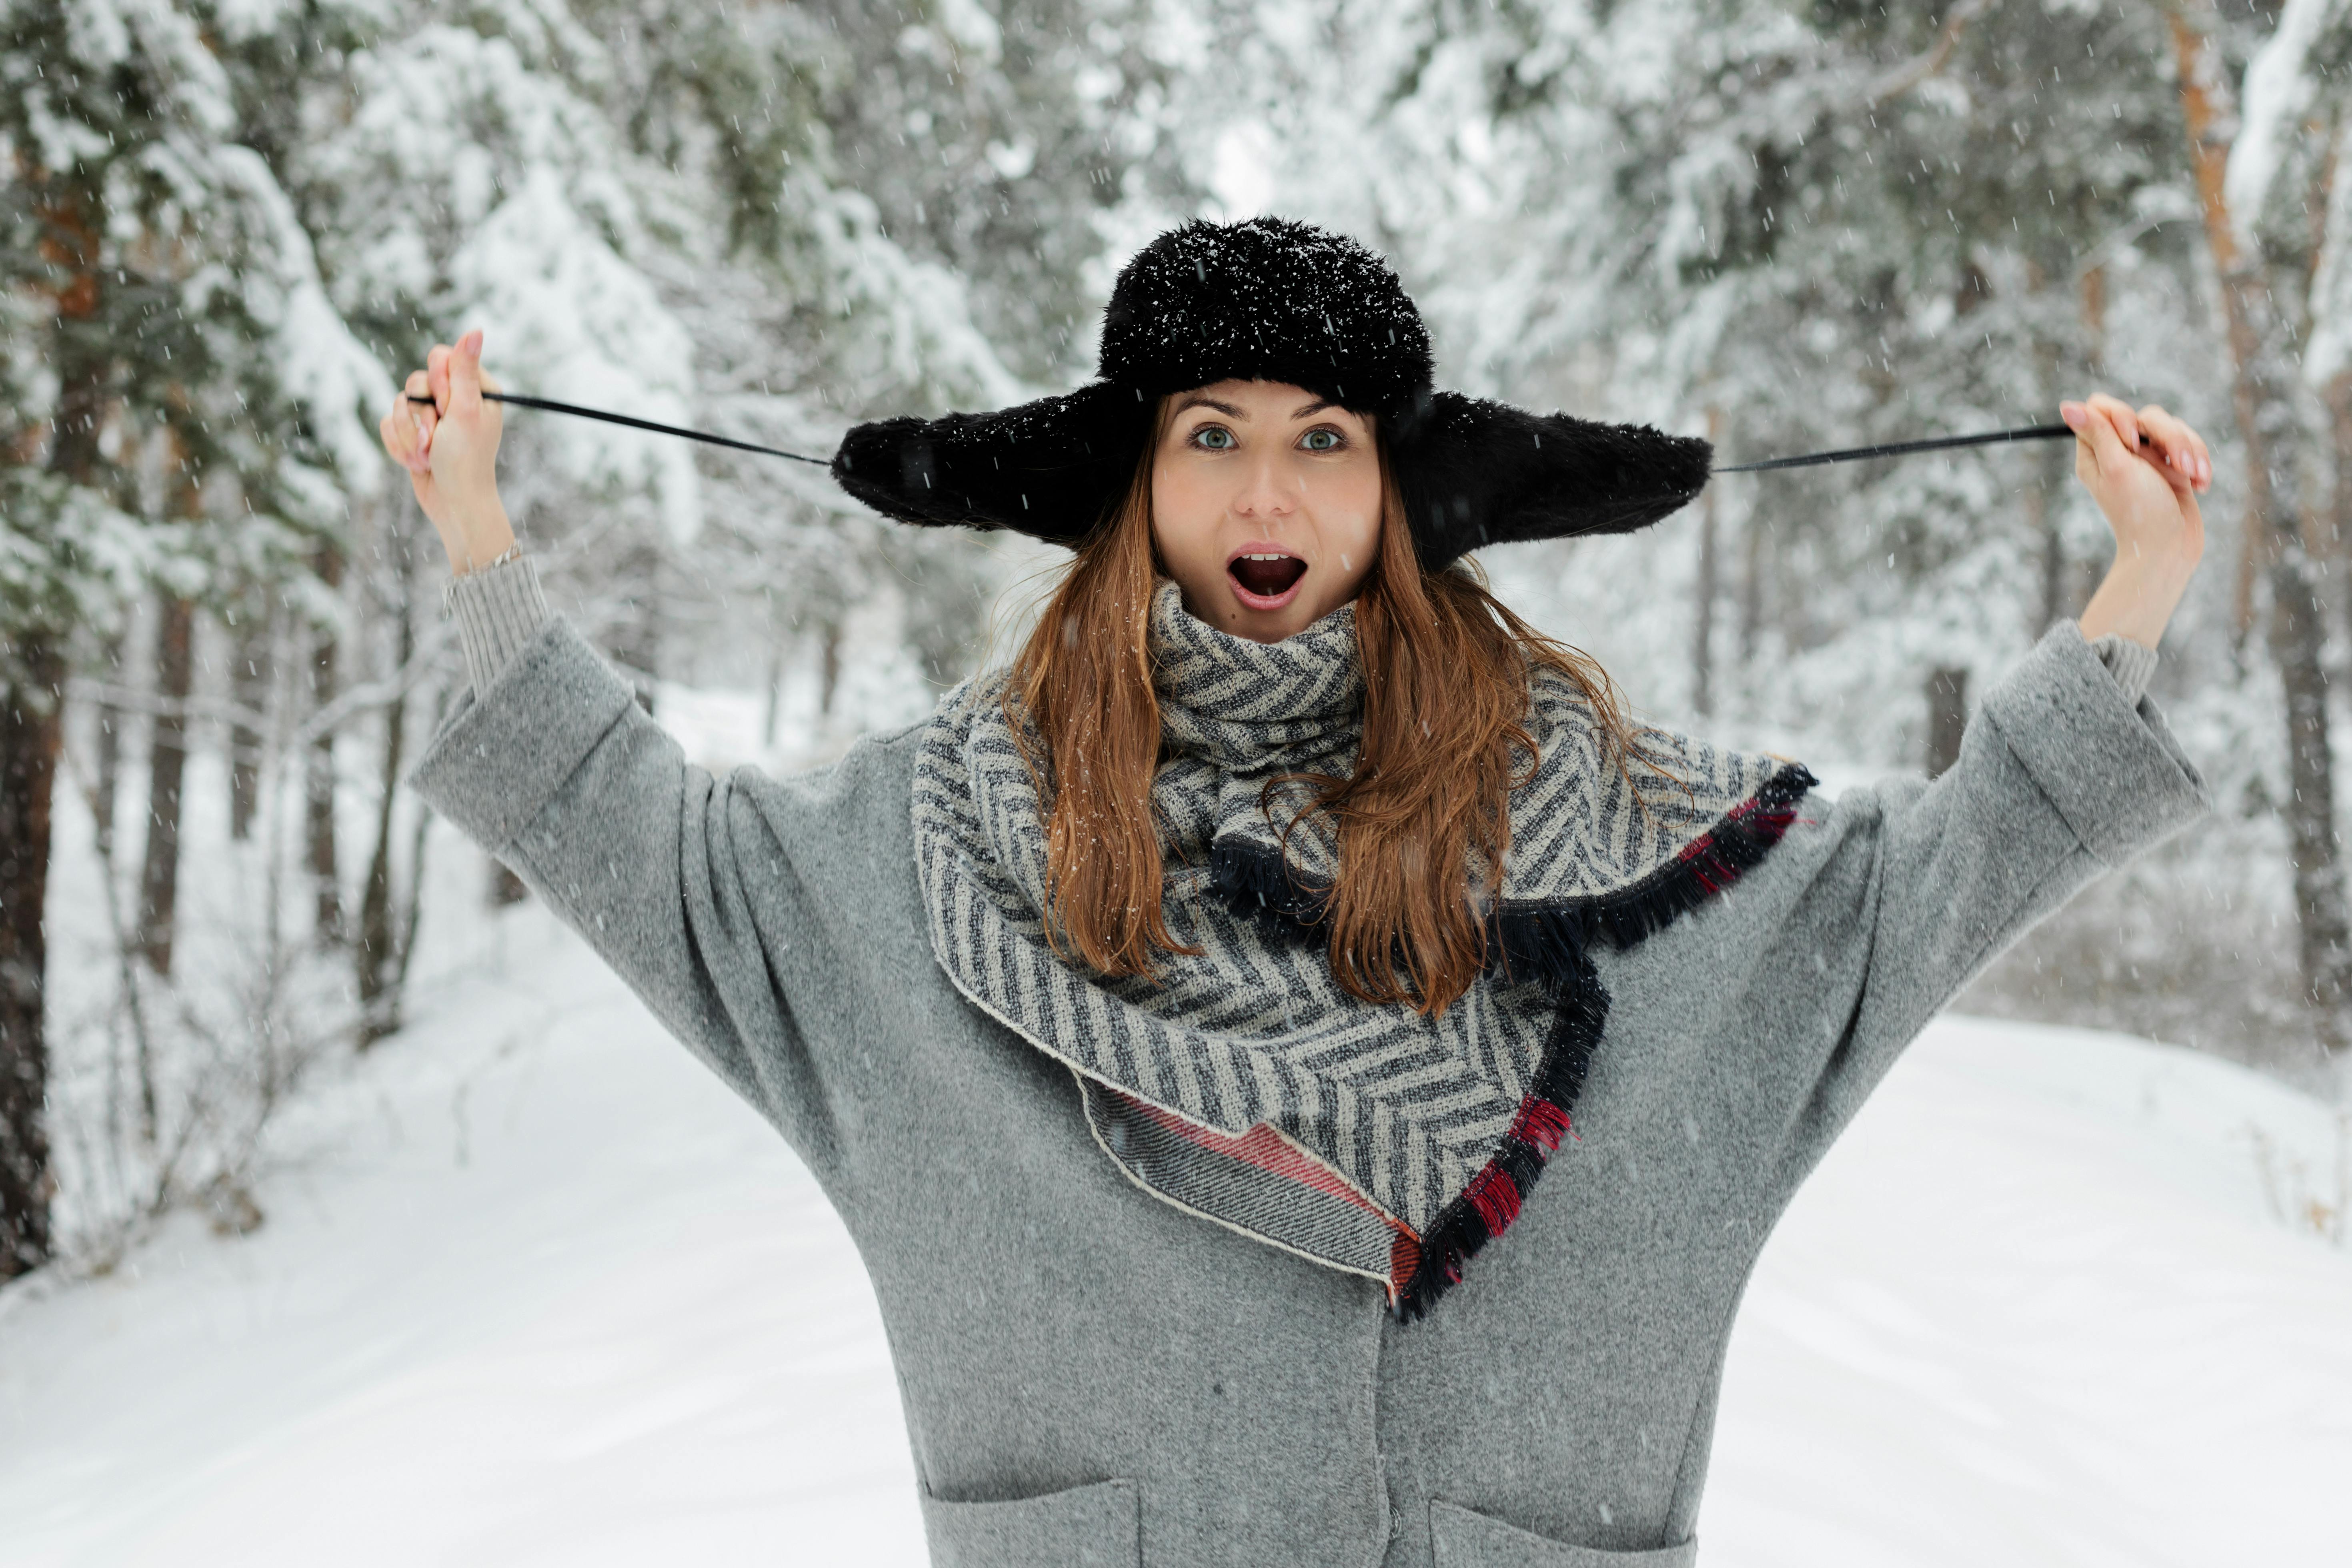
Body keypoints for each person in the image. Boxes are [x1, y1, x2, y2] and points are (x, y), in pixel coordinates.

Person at [382, 218, 2210, 1568]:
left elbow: (1926, 881)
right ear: (1136, 481)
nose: (1270, 486)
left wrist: (2137, 584)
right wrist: (476, 526)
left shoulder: (1624, 846)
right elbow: (666, 861)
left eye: (1327, 435)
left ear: (1398, 487)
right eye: (1213, 432)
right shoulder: (938, 849)